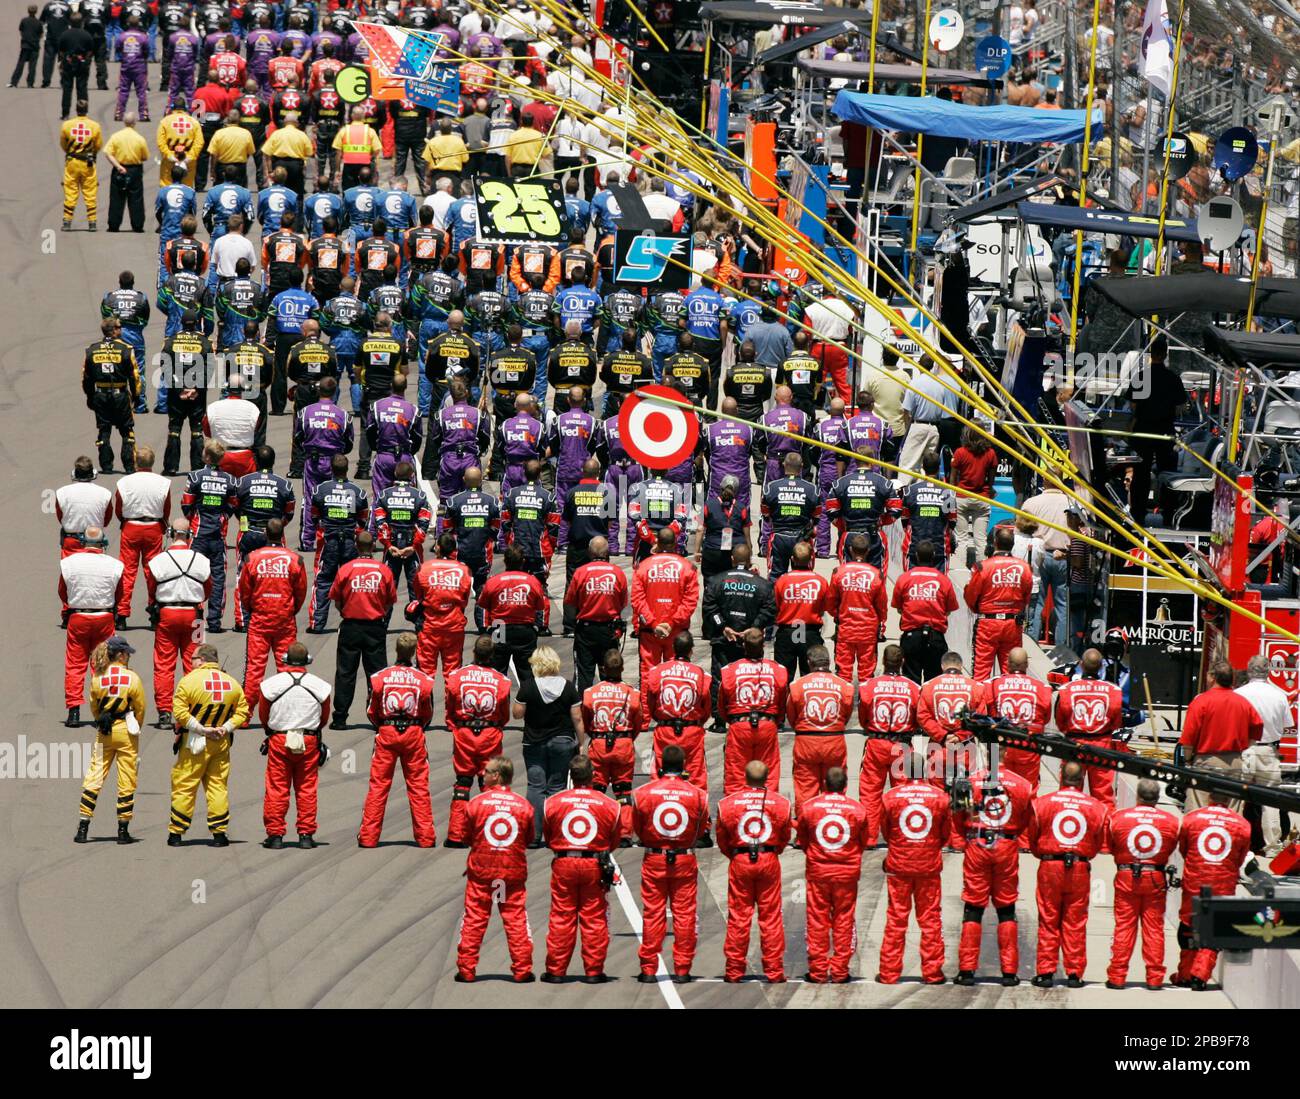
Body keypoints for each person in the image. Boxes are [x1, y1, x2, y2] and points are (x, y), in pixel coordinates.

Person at [632, 744, 711, 983]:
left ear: (660, 765)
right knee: (685, 914)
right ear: (684, 766)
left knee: (653, 912)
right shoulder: (698, 794)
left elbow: (638, 826)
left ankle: (648, 968)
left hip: (655, 857)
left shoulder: (644, 793)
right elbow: (701, 828)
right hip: (684, 857)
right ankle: (683, 969)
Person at [541, 754, 623, 983]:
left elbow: (549, 836)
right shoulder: (609, 805)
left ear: (571, 776)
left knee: (561, 916)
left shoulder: (553, 802)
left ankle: (556, 971)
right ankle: (594, 971)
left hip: (563, 861)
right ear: (593, 776)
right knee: (594, 916)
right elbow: (614, 839)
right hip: (594, 862)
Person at [951, 763, 1034, 986]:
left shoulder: (969, 781)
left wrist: (960, 842)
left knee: (973, 906)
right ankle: (1009, 973)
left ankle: (967, 971)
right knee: (1006, 908)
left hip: (977, 845)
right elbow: (1027, 817)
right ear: (1008, 751)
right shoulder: (1023, 784)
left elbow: (958, 814)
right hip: (1006, 846)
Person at [1026, 760, 1107, 986]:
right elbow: (1098, 842)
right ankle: (1074, 973)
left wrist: (1043, 855)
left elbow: (1032, 837)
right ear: (1083, 780)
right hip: (1080, 867)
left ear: (1061, 776)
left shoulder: (1041, 803)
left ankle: (1045, 971)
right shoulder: (1097, 807)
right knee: (1076, 921)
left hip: (1050, 865)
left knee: (1048, 919)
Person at [456, 755, 535, 983]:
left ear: (497, 775)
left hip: (482, 873)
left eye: (487, 771)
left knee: (474, 919)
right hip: (511, 874)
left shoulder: (476, 804)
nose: (483, 773)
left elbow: (465, 836)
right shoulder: (523, 805)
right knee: (515, 919)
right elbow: (529, 837)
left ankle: (466, 970)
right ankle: (522, 970)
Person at [359, 632, 438, 848]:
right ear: (414, 652)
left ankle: (368, 837)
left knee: (379, 785)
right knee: (419, 785)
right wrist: (416, 727)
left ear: (396, 650)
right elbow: (428, 712)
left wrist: (383, 725)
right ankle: (426, 837)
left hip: (387, 731)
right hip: (413, 733)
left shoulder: (379, 677)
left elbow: (371, 710)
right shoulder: (424, 680)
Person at [716, 760, 792, 983]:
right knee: (771, 917)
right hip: (768, 859)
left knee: (739, 916)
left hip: (740, 859)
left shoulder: (728, 803)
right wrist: (773, 851)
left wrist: (734, 855)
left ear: (745, 777)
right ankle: (775, 971)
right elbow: (785, 834)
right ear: (766, 778)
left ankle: (734, 970)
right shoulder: (781, 803)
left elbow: (722, 836)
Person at [878, 751, 950, 985]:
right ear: (927, 771)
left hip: (899, 865)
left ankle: (889, 973)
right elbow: (945, 834)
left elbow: (886, 832)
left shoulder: (891, 796)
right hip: (928, 865)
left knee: (896, 919)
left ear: (904, 771)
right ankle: (933, 973)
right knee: (930, 920)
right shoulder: (940, 797)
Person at [168, 644, 249, 846]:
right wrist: (226, 728)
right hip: (220, 742)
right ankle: (219, 834)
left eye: (193, 659)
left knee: (185, 785)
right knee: (217, 786)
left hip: (194, 742)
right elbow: (243, 712)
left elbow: (179, 712)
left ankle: (176, 834)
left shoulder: (188, 681)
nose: (191, 662)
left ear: (202, 660)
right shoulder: (232, 683)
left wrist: (201, 729)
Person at [1105, 778, 1180, 989]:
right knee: (1154, 929)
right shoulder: (1171, 821)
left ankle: (1117, 976)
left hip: (1126, 875)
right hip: (1155, 877)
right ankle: (1155, 978)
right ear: (1158, 798)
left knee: (1124, 927)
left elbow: (1111, 845)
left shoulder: (1118, 818)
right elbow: (1170, 848)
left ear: (1137, 796)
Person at [798, 766, 871, 982]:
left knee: (817, 920)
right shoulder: (858, 809)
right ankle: (840, 971)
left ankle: (818, 971)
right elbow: (864, 840)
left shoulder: (809, 807)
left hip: (818, 871)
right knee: (844, 919)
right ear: (845, 785)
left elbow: (803, 839)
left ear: (824, 784)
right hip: (846, 872)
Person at [1174, 792, 1251, 990]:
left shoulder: (1191, 818)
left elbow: (1184, 848)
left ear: (1209, 797)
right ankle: (1199, 975)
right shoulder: (1243, 825)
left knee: (1189, 926)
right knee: (1213, 928)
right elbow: (1240, 858)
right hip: (1223, 883)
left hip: (1194, 880)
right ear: (1230, 800)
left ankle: (1184, 974)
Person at [258, 641, 331, 850]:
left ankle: (275, 835)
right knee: (307, 788)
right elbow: (324, 716)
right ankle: (306, 834)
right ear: (307, 661)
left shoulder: (271, 684)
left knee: (277, 788)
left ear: (286, 660)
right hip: (308, 740)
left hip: (279, 740)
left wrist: (270, 731)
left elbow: (264, 714)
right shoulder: (320, 685)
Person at [443, 636, 513, 847]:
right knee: (490, 784)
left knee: (463, 783)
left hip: (464, 734)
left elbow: (450, 706)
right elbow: (504, 715)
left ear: (474, 653)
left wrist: (456, 726)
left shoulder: (456, 676)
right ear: (492, 656)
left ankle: (456, 835)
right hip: (490, 734)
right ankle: (489, 834)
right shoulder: (502, 680)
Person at [75, 637, 146, 845]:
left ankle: (83, 826)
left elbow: (94, 706)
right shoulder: (132, 678)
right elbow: (140, 707)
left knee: (94, 776)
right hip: (126, 731)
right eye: (127, 653)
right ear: (120, 655)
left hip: (104, 732)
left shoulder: (98, 677)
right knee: (127, 779)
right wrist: (136, 725)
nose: (129, 656)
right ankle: (123, 830)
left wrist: (100, 721)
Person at [513, 646, 582, 845]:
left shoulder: (527, 686)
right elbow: (577, 718)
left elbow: (517, 714)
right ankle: (557, 834)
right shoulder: (568, 687)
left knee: (536, 786)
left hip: (534, 742)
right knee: (557, 787)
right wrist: (582, 743)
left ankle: (534, 835)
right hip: (562, 742)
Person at [238, 518, 307, 711]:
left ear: (266, 535)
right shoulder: (295, 559)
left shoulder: (252, 558)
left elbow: (244, 591)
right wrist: (292, 610)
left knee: (254, 668)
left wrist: (251, 609)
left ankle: (245, 714)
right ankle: (289, 711)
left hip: (259, 620)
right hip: (284, 620)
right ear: (282, 534)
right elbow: (300, 591)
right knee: (288, 667)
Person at [328, 531, 395, 728]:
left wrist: (346, 612)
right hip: (375, 626)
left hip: (350, 626)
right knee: (376, 674)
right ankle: (380, 717)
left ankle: (340, 717)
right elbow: (389, 601)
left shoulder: (346, 570)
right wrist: (379, 612)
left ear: (356, 547)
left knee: (345, 673)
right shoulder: (384, 570)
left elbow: (337, 600)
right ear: (372, 547)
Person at [59, 526, 124, 728]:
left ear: (83, 541)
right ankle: (104, 708)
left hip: (78, 616)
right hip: (104, 616)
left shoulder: (69, 563)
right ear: (103, 542)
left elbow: (62, 591)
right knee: (103, 664)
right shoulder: (114, 564)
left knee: (75, 664)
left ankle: (74, 711)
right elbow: (119, 594)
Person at [147, 525, 211, 727]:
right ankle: (193, 710)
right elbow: (207, 589)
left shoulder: (158, 561)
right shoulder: (201, 560)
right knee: (196, 662)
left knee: (164, 664)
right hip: (195, 615)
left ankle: (165, 712)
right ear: (190, 536)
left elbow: (151, 587)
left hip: (167, 614)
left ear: (170, 534)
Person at [858, 644, 921, 844]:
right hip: (901, 745)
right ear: (902, 662)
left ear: (883, 662)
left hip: (877, 742)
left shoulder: (868, 686)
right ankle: (901, 835)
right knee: (903, 792)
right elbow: (917, 718)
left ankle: (869, 838)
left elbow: (863, 718)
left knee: (870, 792)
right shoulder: (914, 688)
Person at [1180, 661, 1263, 811]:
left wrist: (1188, 759)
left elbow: (1188, 738)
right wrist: (1243, 749)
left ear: (1212, 677)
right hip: (1235, 762)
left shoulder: (1201, 702)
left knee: (1199, 808)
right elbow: (1257, 726)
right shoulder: (1243, 702)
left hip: (1206, 761)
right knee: (1232, 810)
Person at [718, 628, 789, 795]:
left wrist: (734, 722)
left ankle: (733, 813)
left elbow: (721, 705)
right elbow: (782, 703)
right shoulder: (778, 670)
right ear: (763, 646)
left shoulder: (730, 670)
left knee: (735, 775)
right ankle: (770, 811)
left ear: (744, 647)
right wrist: (773, 721)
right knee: (769, 773)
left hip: (739, 726)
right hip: (768, 725)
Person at [643, 631, 713, 797]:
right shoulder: (701, 674)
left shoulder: (657, 671)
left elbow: (650, 702)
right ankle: (699, 813)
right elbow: (707, 707)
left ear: (673, 648)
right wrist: (696, 722)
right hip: (692, 732)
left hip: (665, 731)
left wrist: (661, 718)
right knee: (695, 776)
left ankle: (658, 805)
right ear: (691, 651)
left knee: (660, 772)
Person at [631, 526, 699, 693]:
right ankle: (673, 714)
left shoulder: (642, 567)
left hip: (650, 631)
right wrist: (671, 623)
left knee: (648, 675)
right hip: (676, 632)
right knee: (675, 675)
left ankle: (645, 720)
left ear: (657, 544)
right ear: (675, 543)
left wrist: (654, 624)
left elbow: (637, 601)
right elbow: (690, 601)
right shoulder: (687, 567)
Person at [1054, 647, 1125, 807]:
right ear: (1101, 667)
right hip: (1102, 746)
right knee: (1103, 797)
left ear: (1081, 665)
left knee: (1068, 794)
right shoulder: (1113, 691)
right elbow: (1116, 722)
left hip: (1074, 745)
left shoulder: (1067, 690)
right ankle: (1104, 829)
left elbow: (1060, 721)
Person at [787, 646, 854, 813]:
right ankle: (832, 825)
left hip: (806, 741)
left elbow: (791, 715)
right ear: (829, 662)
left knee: (805, 788)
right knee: (835, 787)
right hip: (834, 741)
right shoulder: (845, 686)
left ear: (809, 662)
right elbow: (846, 714)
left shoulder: (797, 685)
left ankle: (804, 831)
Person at [1236, 654, 1292, 853]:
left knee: (1235, 796)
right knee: (1270, 800)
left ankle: (1232, 839)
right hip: (1268, 750)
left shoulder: (1239, 694)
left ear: (1249, 671)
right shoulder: (1279, 695)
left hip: (1243, 750)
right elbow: (1287, 725)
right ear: (1268, 672)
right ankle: (1273, 845)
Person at [580, 650, 641, 829]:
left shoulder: (590, 693)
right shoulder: (632, 693)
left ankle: (594, 827)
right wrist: (627, 738)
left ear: (603, 669)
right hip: (624, 744)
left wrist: (597, 735)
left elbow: (586, 720)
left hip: (599, 744)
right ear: (622, 668)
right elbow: (638, 723)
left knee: (596, 789)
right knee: (623, 791)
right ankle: (625, 832)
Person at [181, 441, 239, 632]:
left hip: (198, 535)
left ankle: (195, 617)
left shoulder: (195, 476)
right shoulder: (230, 480)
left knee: (193, 576)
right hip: (218, 536)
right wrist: (222, 517)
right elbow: (233, 505)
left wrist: (196, 518)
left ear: (206, 456)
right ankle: (214, 622)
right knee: (217, 578)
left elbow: (186, 505)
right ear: (221, 458)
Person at [306, 453, 367, 629]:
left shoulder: (320, 490)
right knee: (352, 582)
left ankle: (317, 623)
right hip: (349, 541)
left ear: (331, 469)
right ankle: (352, 622)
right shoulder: (358, 492)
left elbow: (314, 516)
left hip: (329, 541)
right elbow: (363, 521)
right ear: (347, 469)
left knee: (323, 580)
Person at [963, 526, 1033, 680]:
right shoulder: (1024, 567)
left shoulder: (982, 566)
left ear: (994, 543)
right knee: (1012, 672)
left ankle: (981, 703)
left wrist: (979, 610)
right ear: (1012, 544)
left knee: (981, 673)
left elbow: (970, 595)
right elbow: (1027, 597)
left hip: (987, 624)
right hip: (1012, 624)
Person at [113, 446, 170, 626]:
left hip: (131, 526)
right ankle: (154, 610)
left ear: (136, 461)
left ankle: (121, 613)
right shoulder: (163, 482)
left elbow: (119, 508)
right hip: (153, 526)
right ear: (152, 463)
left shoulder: (124, 482)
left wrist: (125, 520)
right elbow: (166, 508)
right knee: (152, 571)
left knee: (127, 571)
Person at [295, 377, 354, 552]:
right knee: (336, 498)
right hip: (334, 462)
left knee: (309, 499)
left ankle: (307, 541)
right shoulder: (343, 415)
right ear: (335, 392)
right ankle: (336, 538)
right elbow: (349, 442)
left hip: (312, 461)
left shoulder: (305, 412)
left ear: (319, 390)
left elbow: (298, 438)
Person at [564, 535, 628, 693]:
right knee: (611, 675)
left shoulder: (580, 572)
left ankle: (583, 711)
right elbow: (623, 603)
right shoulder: (618, 573)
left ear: (589, 553)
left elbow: (570, 601)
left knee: (584, 676)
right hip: (609, 631)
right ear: (607, 553)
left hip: (586, 631)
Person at [408, 532, 471, 689]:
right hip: (454, 627)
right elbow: (465, 599)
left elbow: (418, 595)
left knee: (425, 675)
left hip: (430, 628)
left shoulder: (424, 568)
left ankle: (423, 713)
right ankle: (453, 714)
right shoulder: (464, 570)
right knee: (453, 675)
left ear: (438, 548)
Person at [479, 544, 549, 684]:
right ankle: (527, 703)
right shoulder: (533, 581)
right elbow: (541, 607)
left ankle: (499, 702)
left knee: (497, 673)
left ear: (505, 561)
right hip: (524, 629)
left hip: (500, 629)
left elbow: (482, 605)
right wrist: (538, 627)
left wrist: (485, 629)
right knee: (527, 674)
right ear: (523, 561)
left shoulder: (493, 582)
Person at [988, 647, 1052, 795]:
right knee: (1028, 791)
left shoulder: (992, 684)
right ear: (1027, 665)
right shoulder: (1042, 688)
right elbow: (1045, 718)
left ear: (1008, 664)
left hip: (1001, 745)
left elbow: (988, 713)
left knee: (998, 791)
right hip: (1028, 747)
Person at [826, 532, 887, 688]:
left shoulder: (838, 572)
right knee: (866, 676)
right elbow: (882, 607)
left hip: (845, 630)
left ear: (851, 550)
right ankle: (865, 708)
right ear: (868, 551)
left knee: (843, 675)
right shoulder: (876, 574)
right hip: (868, 632)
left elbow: (830, 602)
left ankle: (842, 709)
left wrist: (838, 616)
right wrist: (879, 623)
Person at [892, 540, 958, 684]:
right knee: (933, 683)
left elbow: (898, 608)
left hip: (911, 637)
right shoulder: (943, 580)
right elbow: (948, 610)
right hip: (936, 637)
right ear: (934, 555)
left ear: (915, 555)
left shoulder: (904, 578)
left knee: (911, 682)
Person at [1020, 482, 1072, 645]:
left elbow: (1019, 532)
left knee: (1037, 602)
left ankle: (1031, 645)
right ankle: (1062, 647)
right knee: (1062, 605)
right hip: (1063, 555)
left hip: (1038, 555)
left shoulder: (1031, 502)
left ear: (1044, 480)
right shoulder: (1071, 502)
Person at [896, 357, 958, 484]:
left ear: (919, 365)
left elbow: (906, 410)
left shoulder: (915, 383)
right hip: (934, 428)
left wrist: (908, 428)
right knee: (927, 466)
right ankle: (923, 492)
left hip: (918, 425)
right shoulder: (940, 384)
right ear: (932, 366)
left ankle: (902, 495)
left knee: (908, 464)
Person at [950, 427, 998, 569]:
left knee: (961, 539)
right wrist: (988, 490)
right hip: (982, 498)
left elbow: (953, 477)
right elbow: (991, 479)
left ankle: (959, 571)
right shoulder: (990, 453)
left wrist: (954, 494)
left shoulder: (960, 452)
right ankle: (981, 572)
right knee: (980, 540)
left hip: (962, 496)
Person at [56, 457, 112, 557]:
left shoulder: (61, 492)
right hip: (95, 541)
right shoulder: (105, 493)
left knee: (69, 571)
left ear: (74, 473)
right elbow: (107, 519)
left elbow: (60, 517)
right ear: (93, 473)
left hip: (71, 541)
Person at [103, 112, 149, 232]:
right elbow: (145, 157)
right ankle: (138, 225)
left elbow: (107, 153)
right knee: (136, 198)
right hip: (135, 170)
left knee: (116, 197)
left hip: (119, 169)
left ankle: (113, 225)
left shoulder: (116, 136)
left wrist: (118, 166)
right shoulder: (139, 138)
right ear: (134, 123)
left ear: (124, 122)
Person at [60, 99, 102, 231]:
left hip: (72, 162)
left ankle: (67, 221)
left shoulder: (67, 125)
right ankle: (92, 222)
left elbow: (63, 143)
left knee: (71, 190)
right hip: (87, 163)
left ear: (76, 109)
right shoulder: (95, 126)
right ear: (87, 110)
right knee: (90, 191)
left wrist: (71, 151)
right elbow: (98, 145)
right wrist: (91, 152)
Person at [10, 5, 41, 88]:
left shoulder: (24, 20)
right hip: (35, 46)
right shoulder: (38, 22)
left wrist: (25, 38)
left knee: (20, 64)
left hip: (25, 46)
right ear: (36, 12)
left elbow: (21, 31)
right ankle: (30, 83)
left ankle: (14, 82)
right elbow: (41, 34)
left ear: (28, 11)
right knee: (32, 66)